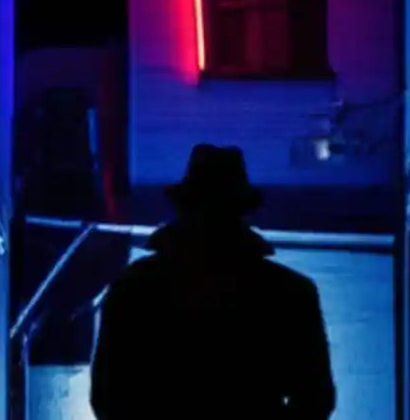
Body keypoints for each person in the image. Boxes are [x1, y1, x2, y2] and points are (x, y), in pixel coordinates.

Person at [90, 144, 336, 420]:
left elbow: (108, 397)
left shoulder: (133, 287)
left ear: (184, 207)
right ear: (242, 211)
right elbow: (316, 398)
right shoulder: (290, 293)